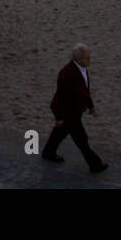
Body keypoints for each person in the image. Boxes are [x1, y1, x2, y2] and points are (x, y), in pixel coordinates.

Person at [41, 43, 108, 173]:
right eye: (88, 58)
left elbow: (84, 91)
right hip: (69, 113)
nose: (90, 60)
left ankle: (48, 152)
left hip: (74, 111)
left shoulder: (81, 69)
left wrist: (90, 105)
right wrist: (59, 117)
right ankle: (95, 164)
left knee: (60, 132)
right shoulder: (67, 73)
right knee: (81, 139)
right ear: (79, 59)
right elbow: (60, 98)